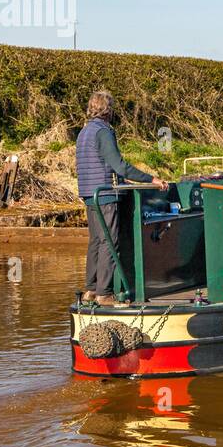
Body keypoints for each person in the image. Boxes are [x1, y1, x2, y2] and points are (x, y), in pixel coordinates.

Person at [75, 90, 167, 305]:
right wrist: (151, 179)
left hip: (90, 194)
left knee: (96, 241)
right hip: (105, 195)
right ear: (108, 110)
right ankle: (104, 293)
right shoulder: (103, 132)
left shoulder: (84, 131)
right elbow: (120, 166)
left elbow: (93, 164)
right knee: (110, 242)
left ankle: (90, 290)